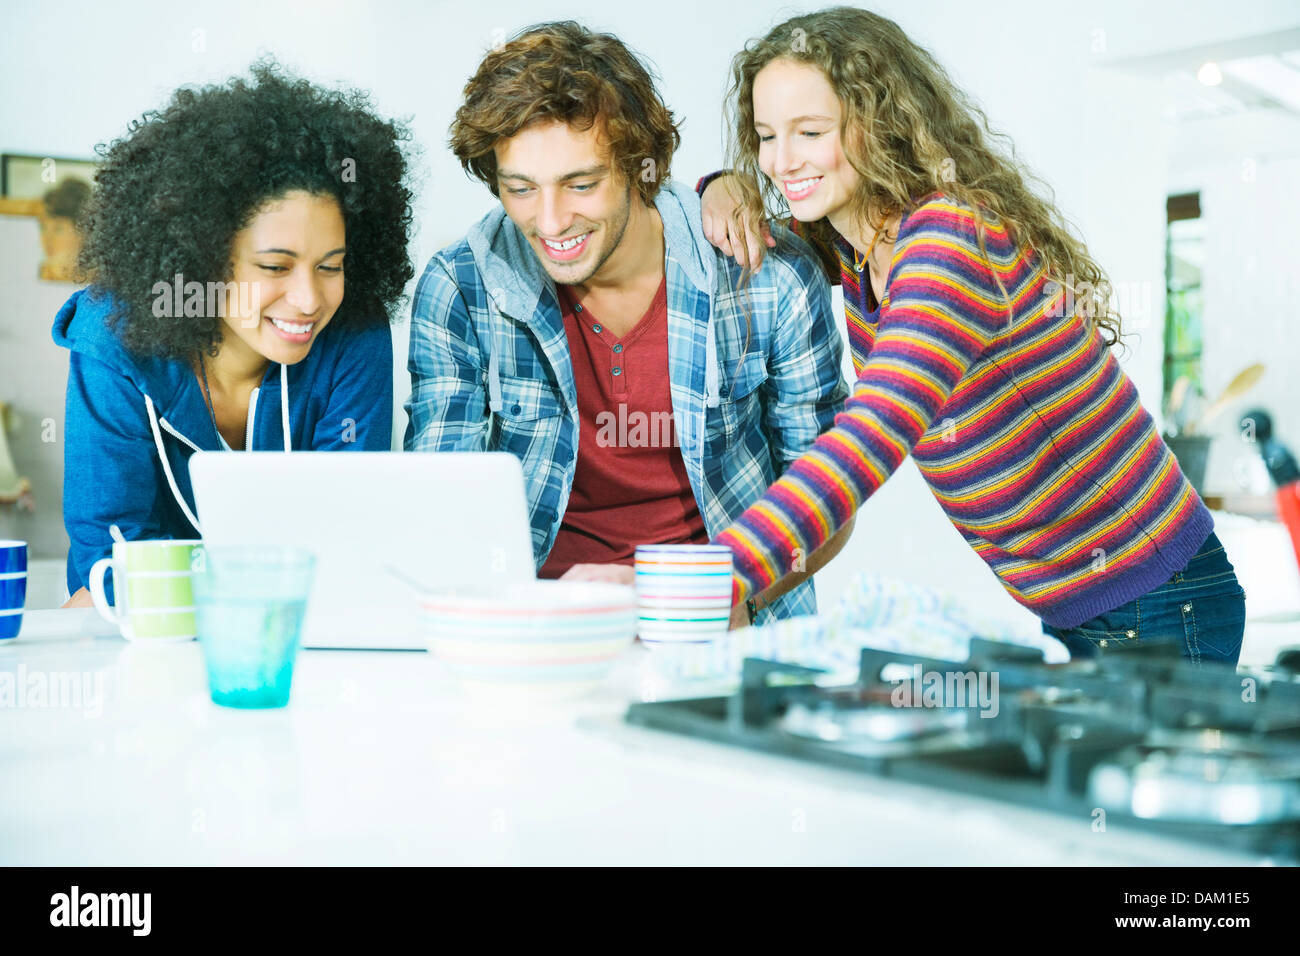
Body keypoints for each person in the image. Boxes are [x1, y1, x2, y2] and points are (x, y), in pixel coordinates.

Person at [698, 6, 1246, 664]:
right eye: (766, 136)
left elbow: (870, 436)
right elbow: (757, 225)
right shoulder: (854, 244)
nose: (782, 162)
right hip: (1077, 601)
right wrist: (720, 186)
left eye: (809, 132)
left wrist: (710, 578)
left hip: (1159, 593)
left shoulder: (948, 239)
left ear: (876, 124)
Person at [405, 20, 853, 628]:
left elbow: (826, 499)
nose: (552, 221)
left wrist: (726, 605)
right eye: (520, 189)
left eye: (581, 184)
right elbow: (435, 506)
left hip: (730, 627)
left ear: (640, 167)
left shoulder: (764, 278)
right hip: (538, 628)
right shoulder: (460, 288)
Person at [56, 61, 414, 607]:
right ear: (199, 257)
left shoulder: (355, 332)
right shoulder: (114, 341)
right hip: (159, 646)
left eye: (331, 265)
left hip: (304, 642)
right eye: (275, 267)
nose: (309, 299)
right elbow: (109, 567)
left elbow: (346, 540)